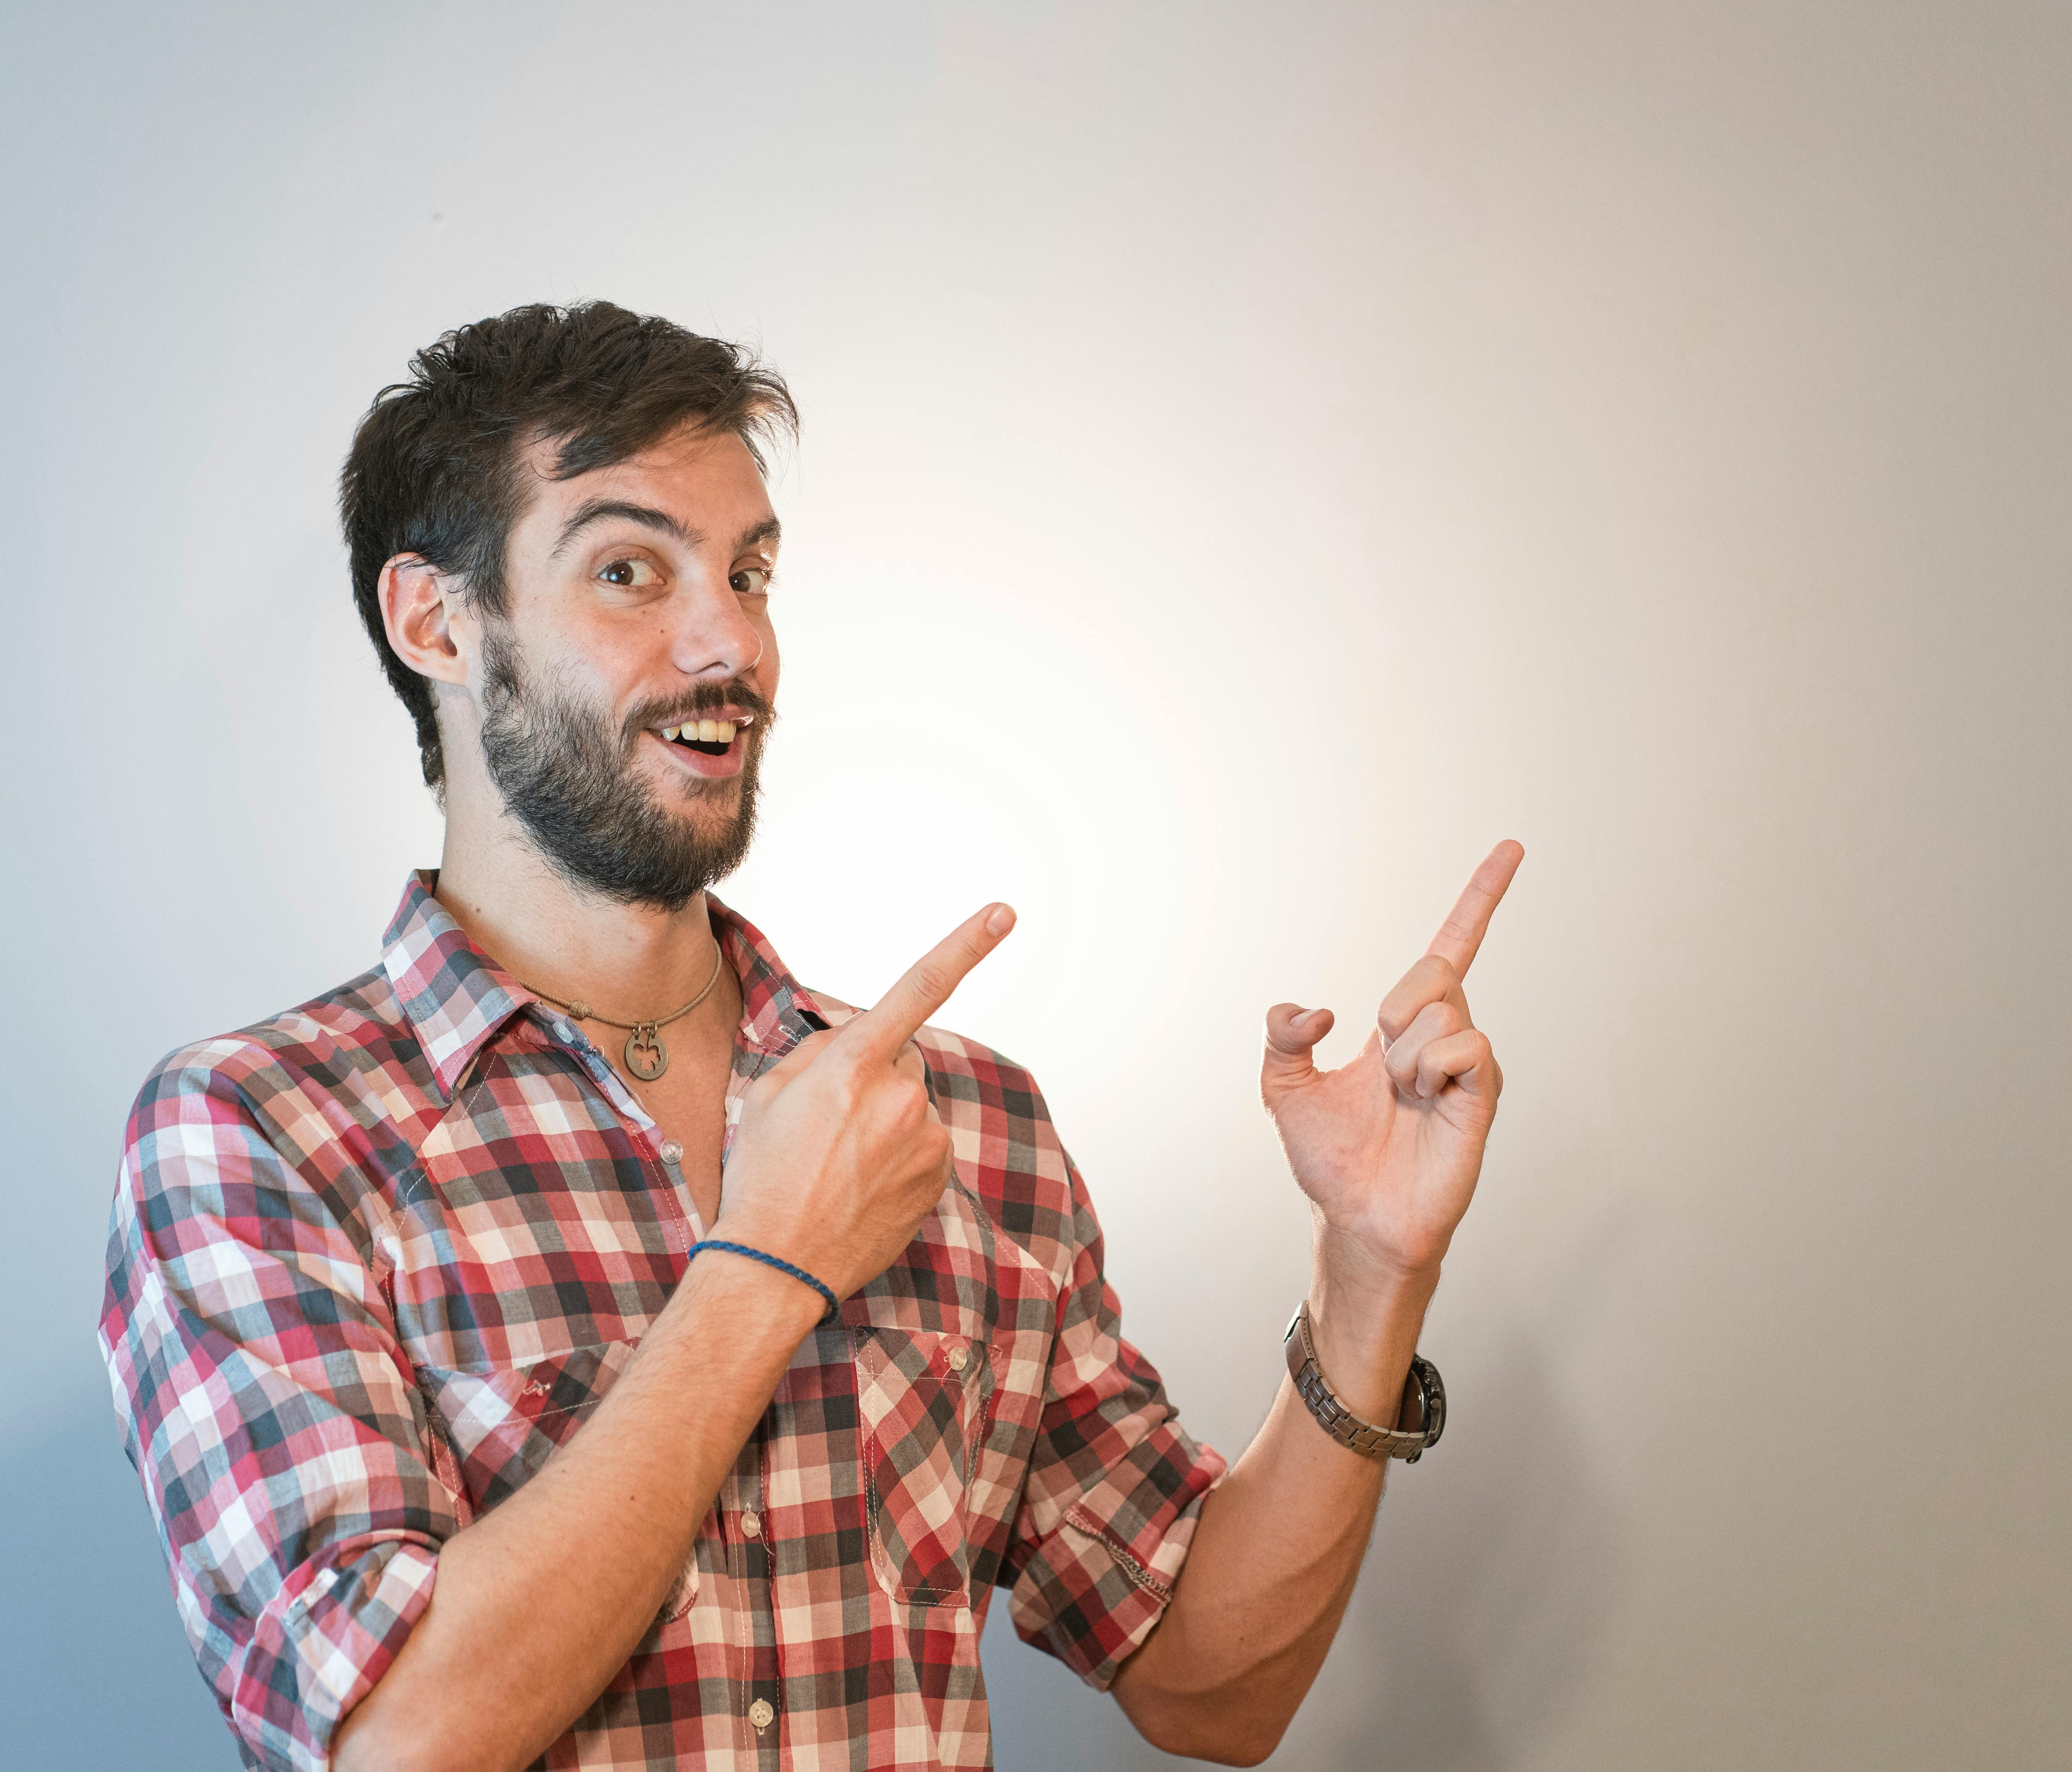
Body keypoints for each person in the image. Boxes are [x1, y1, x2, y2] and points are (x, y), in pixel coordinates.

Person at [99, 300, 1522, 1772]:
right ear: (437, 622)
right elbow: (389, 1738)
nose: (732, 642)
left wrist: (1373, 1272)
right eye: (630, 571)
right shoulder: (257, 1136)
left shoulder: (955, 1119)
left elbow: (1213, 1690)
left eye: (750, 573)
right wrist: (768, 1266)